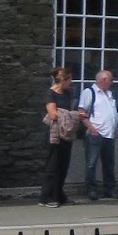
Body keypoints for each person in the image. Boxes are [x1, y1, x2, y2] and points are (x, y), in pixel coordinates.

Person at [39, 67, 82, 207]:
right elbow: (53, 114)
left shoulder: (68, 93)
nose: (71, 82)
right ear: (63, 80)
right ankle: (47, 196)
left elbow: (70, 110)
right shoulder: (50, 94)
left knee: (64, 165)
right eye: (69, 79)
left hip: (66, 133)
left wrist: (72, 115)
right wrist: (68, 115)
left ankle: (59, 194)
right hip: (54, 134)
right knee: (53, 165)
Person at [79, 68, 118, 200]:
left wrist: (114, 128)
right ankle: (91, 189)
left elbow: (111, 113)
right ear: (104, 80)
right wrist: (91, 128)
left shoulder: (109, 94)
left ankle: (110, 189)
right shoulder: (89, 92)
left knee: (109, 164)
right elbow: (82, 113)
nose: (112, 82)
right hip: (95, 133)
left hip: (109, 134)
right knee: (91, 163)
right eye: (111, 79)